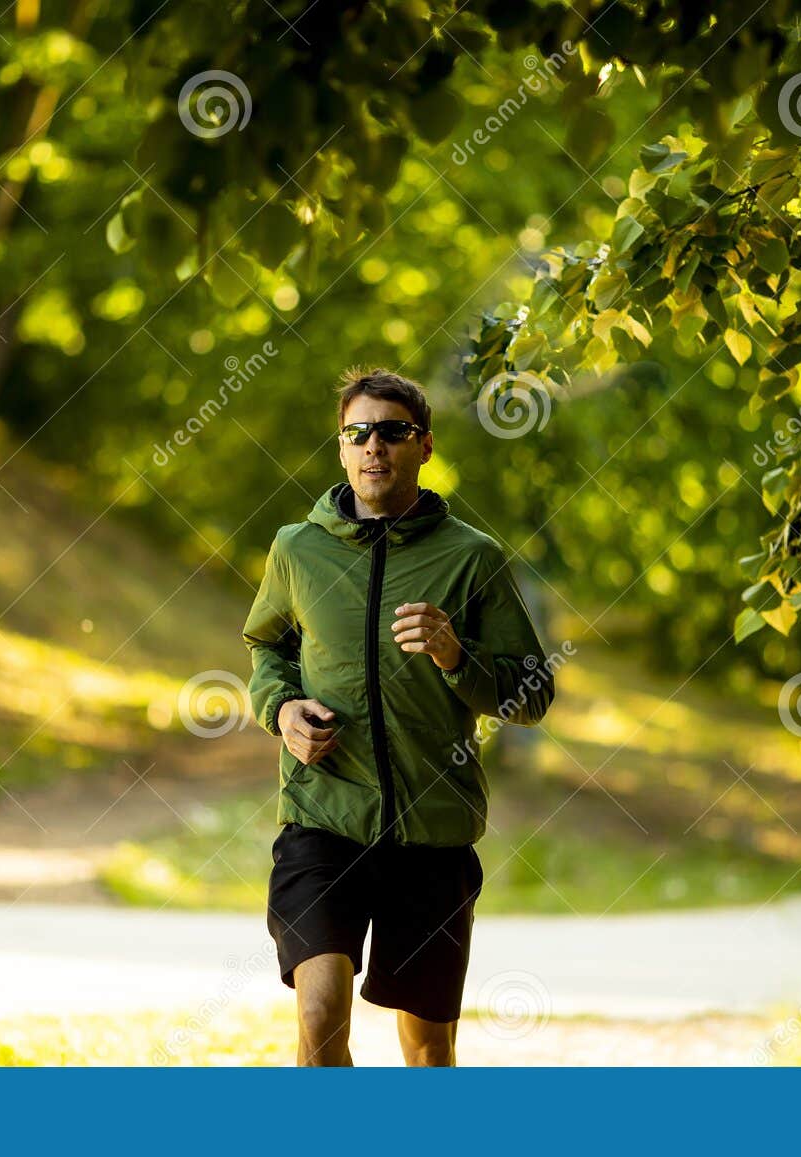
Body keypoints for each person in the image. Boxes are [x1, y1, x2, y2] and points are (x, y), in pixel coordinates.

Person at [242, 367, 557, 1066]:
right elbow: (268, 645)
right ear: (342, 448)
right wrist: (282, 707)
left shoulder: (471, 557)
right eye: (358, 432)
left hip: (431, 834)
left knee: (427, 1045)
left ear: (424, 445)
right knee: (321, 1012)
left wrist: (456, 657)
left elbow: (530, 694)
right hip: (324, 819)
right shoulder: (298, 548)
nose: (373, 446)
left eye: (392, 431)